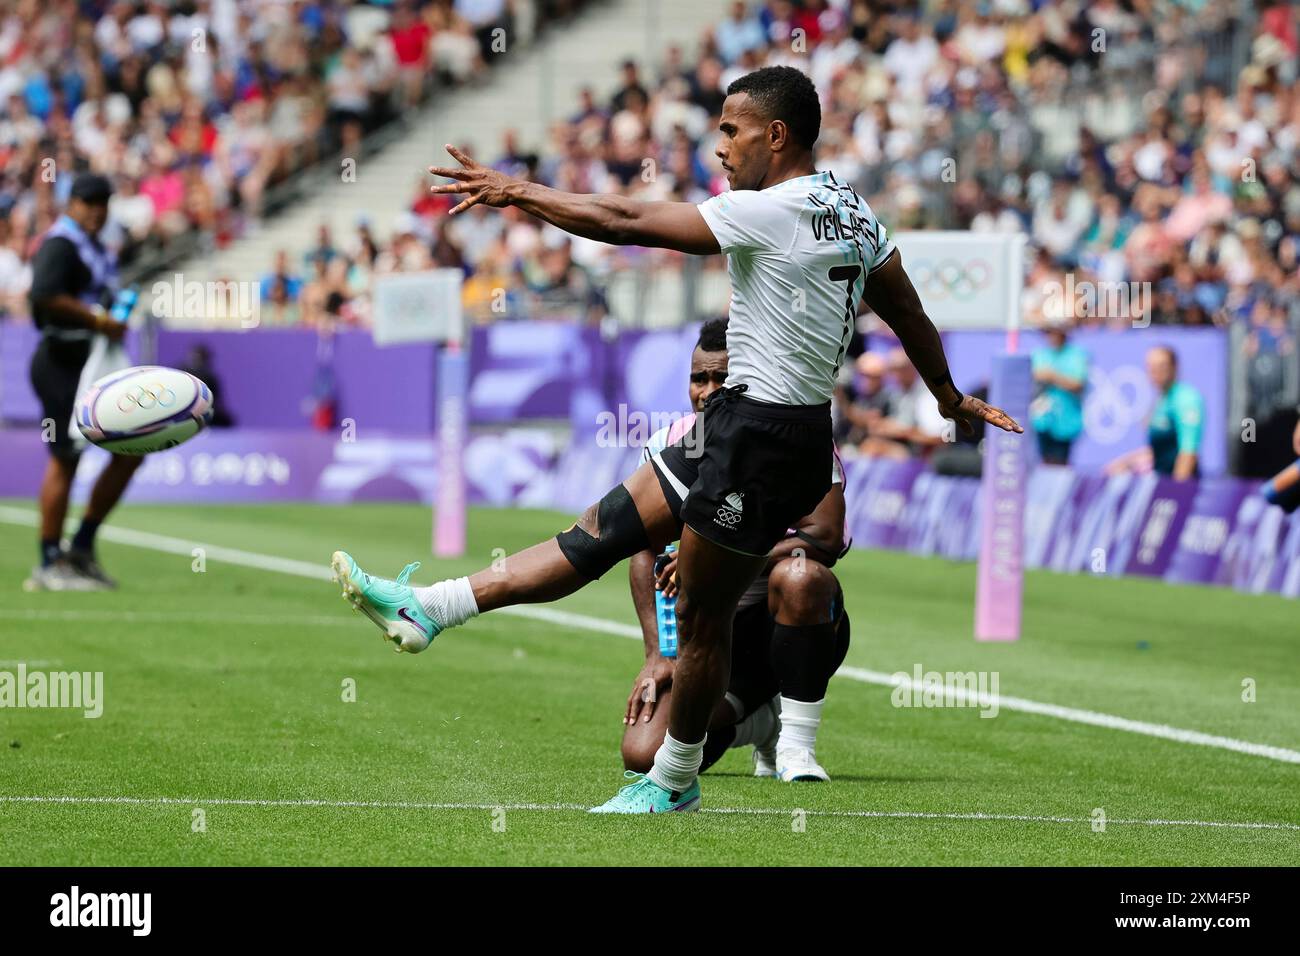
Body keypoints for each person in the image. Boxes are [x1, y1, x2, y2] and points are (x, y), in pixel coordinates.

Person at [331, 66, 1020, 814]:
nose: (719, 145)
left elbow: (626, 222)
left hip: (765, 438)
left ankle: (673, 781)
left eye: (731, 129)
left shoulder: (770, 210)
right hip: (742, 422)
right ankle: (429, 608)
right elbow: (907, 308)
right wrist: (947, 394)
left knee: (701, 618)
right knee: (594, 537)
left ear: (776, 135)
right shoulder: (854, 211)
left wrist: (519, 192)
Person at [622, 317, 851, 783]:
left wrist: (711, 556)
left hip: (782, 621)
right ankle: (756, 722)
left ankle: (796, 748)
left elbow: (825, 536)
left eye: (721, 378)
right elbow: (642, 550)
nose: (707, 391)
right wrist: (657, 654)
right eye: (698, 378)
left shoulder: (797, 437)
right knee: (641, 755)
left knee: (802, 575)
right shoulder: (665, 444)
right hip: (705, 633)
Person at [25, 173, 142, 591]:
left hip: (93, 364)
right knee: (66, 458)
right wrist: (98, 319)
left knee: (132, 450)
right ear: (70, 203)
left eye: (103, 201)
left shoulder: (96, 248)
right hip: (61, 361)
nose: (97, 209)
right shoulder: (61, 243)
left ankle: (82, 546)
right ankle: (49, 560)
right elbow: (44, 294)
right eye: (89, 201)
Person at [1107, 346, 1204, 480]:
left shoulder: (1186, 399)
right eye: (1151, 367)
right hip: (1161, 480)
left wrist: (1176, 491)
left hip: (1179, 485)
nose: (1155, 372)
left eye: (1161, 366)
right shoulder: (1161, 399)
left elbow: (1188, 452)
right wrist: (1127, 462)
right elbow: (1163, 449)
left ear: (1174, 367)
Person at [1029, 319, 1089, 465]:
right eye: (1048, 332)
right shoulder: (1039, 354)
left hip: (1065, 420)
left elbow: (1078, 384)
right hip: (1042, 419)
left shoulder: (1077, 355)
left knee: (1061, 463)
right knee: (1045, 462)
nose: (1051, 336)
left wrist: (1052, 376)